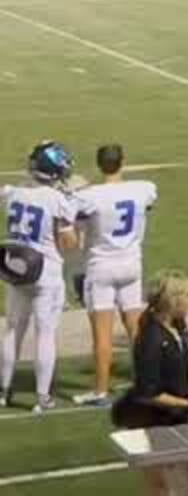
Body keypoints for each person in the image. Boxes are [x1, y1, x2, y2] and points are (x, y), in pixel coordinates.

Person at [73, 145, 159, 406]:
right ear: (123, 162)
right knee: (136, 330)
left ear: (99, 165)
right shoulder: (143, 188)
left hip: (102, 267)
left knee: (103, 335)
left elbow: (75, 217)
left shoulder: (90, 195)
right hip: (131, 265)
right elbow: (149, 204)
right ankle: (147, 384)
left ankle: (101, 391)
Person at [119, 271, 188, 494]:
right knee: (161, 484)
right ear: (174, 300)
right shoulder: (151, 339)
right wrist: (187, 405)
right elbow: (149, 393)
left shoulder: (180, 326)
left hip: (180, 415)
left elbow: (186, 362)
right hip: (155, 420)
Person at [1, 143, 78, 413]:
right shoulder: (58, 200)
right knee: (45, 334)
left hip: (15, 267)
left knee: (12, 330)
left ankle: (4, 390)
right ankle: (42, 396)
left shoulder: (12, 193)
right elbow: (69, 243)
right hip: (46, 271)